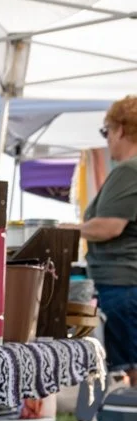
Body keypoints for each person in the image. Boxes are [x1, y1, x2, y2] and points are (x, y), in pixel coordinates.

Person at [81, 95, 137, 386]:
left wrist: (70, 230)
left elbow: (110, 226)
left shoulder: (128, 170)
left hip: (122, 285)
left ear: (121, 130)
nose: (107, 141)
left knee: (131, 373)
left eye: (107, 132)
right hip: (126, 284)